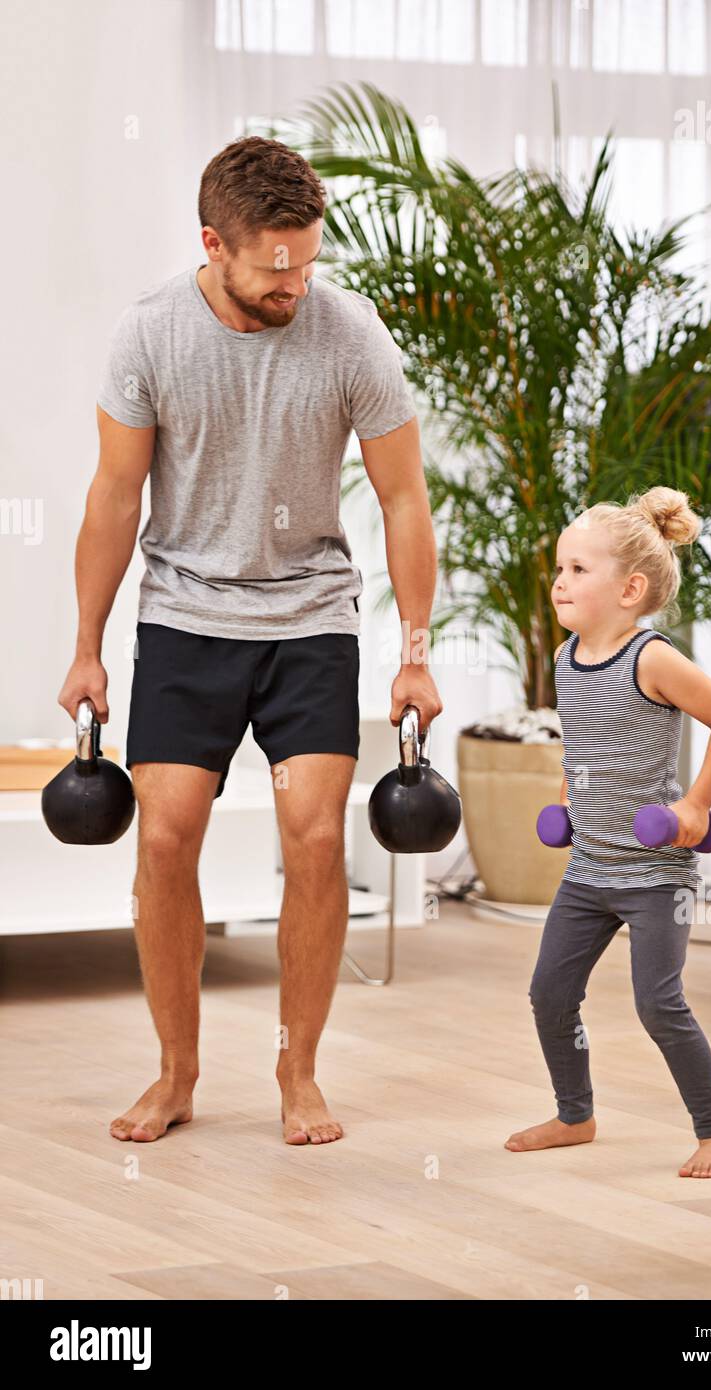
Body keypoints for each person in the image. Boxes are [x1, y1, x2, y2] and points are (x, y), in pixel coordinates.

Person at [56, 135, 442, 1146]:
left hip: (310, 612)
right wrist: (88, 644)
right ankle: (177, 1072)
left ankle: (298, 1071)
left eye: (308, 261)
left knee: (315, 838)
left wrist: (414, 649)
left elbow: (404, 497)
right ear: (213, 245)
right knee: (168, 836)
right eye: (275, 267)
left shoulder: (350, 332)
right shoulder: (150, 334)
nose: (296, 284)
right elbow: (114, 493)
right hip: (185, 615)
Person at [505, 486, 711, 1177]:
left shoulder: (651, 658)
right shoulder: (563, 659)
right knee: (549, 994)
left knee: (658, 1004)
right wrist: (565, 795)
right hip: (588, 871)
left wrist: (695, 806)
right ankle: (573, 1114)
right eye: (559, 568)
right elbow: (581, 745)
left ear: (629, 588)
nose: (559, 581)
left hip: (653, 873)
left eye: (578, 570)